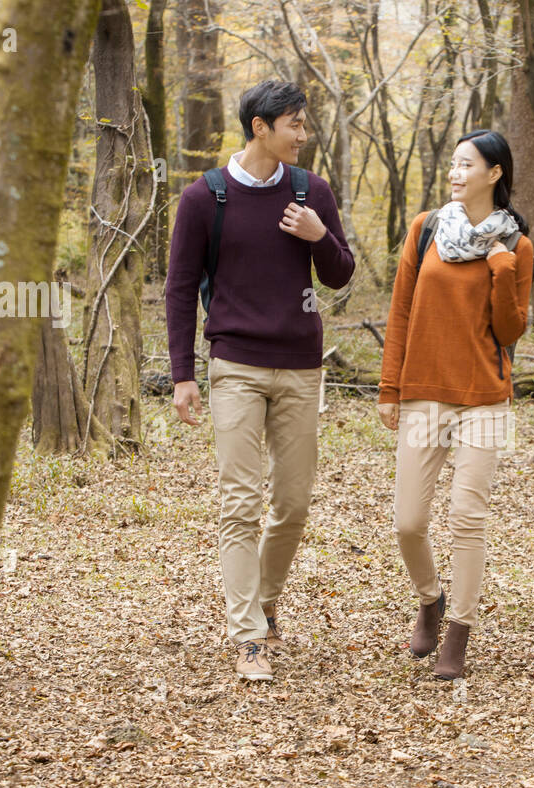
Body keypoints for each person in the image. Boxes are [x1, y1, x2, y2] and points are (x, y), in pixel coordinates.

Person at [165, 80, 355, 681]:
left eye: (304, 123)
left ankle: (264, 599)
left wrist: (317, 236)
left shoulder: (311, 191)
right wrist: (182, 376)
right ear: (260, 128)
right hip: (236, 363)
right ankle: (248, 634)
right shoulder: (206, 198)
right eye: (294, 124)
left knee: (293, 503)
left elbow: (340, 274)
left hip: (301, 366)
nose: (304, 134)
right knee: (240, 501)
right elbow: (178, 289)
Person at [376, 129, 534, 680]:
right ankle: (430, 598)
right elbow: (399, 313)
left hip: (485, 401)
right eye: (453, 164)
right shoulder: (425, 230)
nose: (455, 173)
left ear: (494, 174)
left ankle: (459, 635)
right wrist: (389, 388)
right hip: (423, 393)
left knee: (468, 518)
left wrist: (502, 268)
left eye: (467, 164)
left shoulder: (515, 246)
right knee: (408, 522)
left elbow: (511, 328)